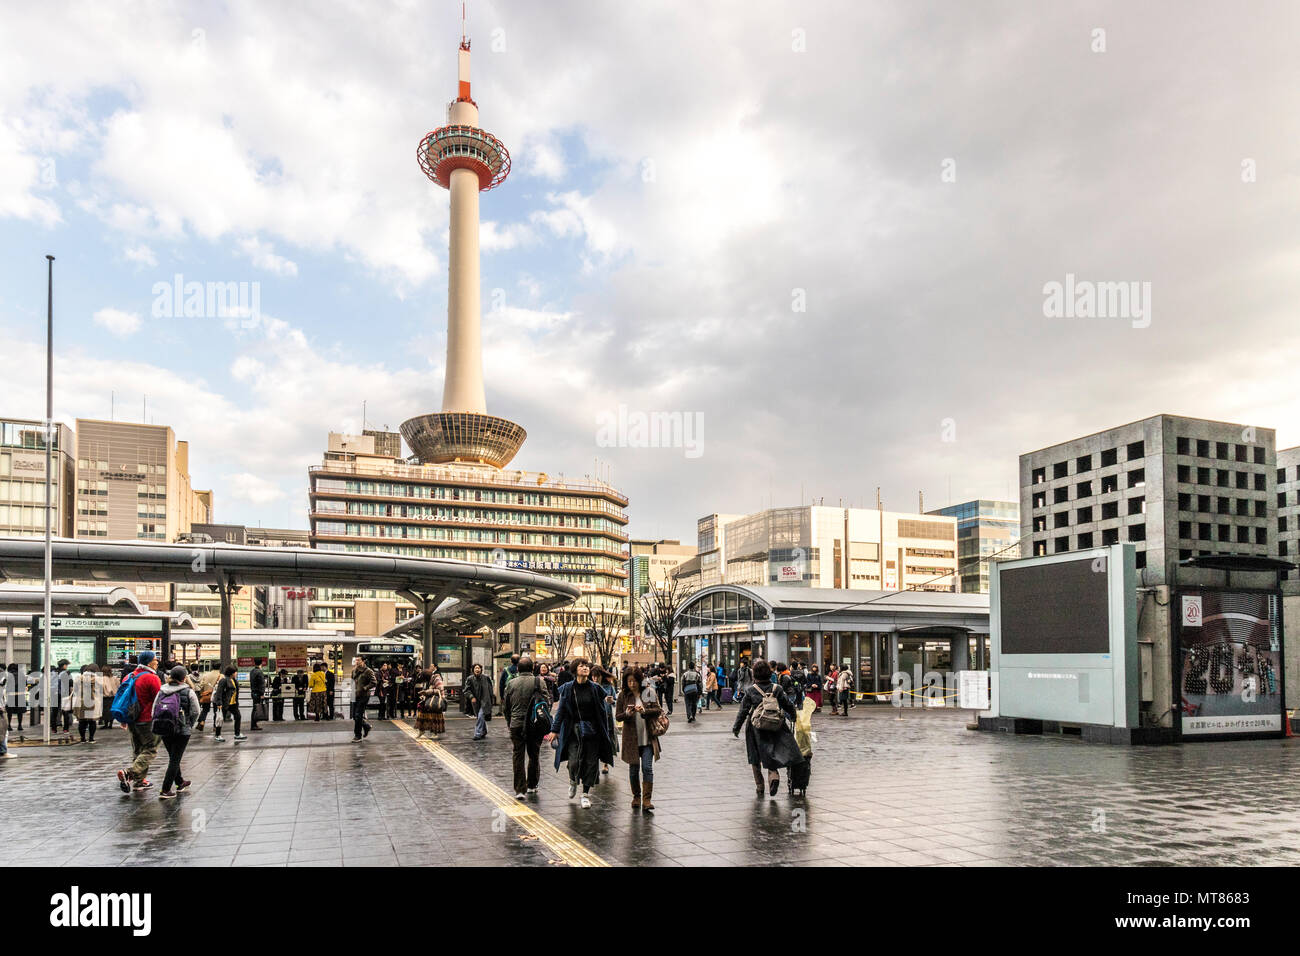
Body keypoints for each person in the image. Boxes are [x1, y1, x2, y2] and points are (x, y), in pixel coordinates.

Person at [548, 658, 613, 809]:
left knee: (591, 763)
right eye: (581, 666)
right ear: (575, 670)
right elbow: (561, 711)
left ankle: (585, 794)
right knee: (574, 761)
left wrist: (609, 703)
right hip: (573, 730)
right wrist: (554, 730)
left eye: (586, 666)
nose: (585, 668)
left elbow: (604, 706)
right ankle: (572, 780)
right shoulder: (568, 688)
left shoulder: (595, 688)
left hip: (592, 731)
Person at [732, 659, 803, 797]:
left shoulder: (751, 690)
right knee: (772, 750)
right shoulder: (777, 688)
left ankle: (760, 786)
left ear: (755, 675)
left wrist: (736, 727)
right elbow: (787, 704)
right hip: (776, 725)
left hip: (755, 726)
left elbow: (743, 710)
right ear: (770, 674)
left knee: (754, 756)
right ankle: (773, 775)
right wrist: (793, 716)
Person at [615, 668, 663, 813]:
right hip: (631, 739)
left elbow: (658, 710)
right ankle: (636, 796)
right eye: (629, 681)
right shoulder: (624, 695)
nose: (632, 684)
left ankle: (647, 800)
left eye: (634, 681)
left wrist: (644, 711)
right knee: (634, 770)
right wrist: (627, 714)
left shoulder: (648, 692)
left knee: (647, 768)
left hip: (648, 738)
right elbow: (618, 716)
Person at [116, 651, 163, 793]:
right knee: (150, 749)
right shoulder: (152, 678)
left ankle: (140, 781)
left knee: (138, 750)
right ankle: (130, 773)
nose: (157, 662)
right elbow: (159, 699)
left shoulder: (128, 676)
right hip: (147, 719)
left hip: (131, 719)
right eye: (155, 660)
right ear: (148, 662)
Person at [502, 655, 547, 799]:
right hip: (534, 724)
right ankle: (532, 785)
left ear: (517, 668)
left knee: (518, 756)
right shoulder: (539, 682)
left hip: (516, 724)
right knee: (534, 755)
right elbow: (546, 702)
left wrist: (510, 722)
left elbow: (505, 707)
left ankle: (520, 790)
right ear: (533, 668)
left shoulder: (511, 683)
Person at [154, 665, 200, 799]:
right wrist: (189, 724)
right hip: (182, 730)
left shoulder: (162, 691)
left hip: (164, 728)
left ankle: (180, 782)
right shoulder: (188, 691)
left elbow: (154, 709)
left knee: (173, 756)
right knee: (175, 759)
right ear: (184, 678)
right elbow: (196, 711)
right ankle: (165, 789)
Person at [212, 666, 244, 742]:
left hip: (233, 703)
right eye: (235, 672)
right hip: (224, 703)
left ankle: (237, 733)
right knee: (220, 719)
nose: (236, 673)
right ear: (231, 673)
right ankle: (217, 735)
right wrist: (219, 702)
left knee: (238, 716)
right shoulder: (223, 680)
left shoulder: (234, 680)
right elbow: (219, 692)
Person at [72, 663, 102, 743]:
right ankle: (91, 738)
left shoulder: (78, 678)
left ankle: (82, 738)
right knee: (92, 721)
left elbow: (75, 690)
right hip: (93, 702)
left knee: (82, 721)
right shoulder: (98, 679)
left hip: (80, 702)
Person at [596, 667, 618, 775]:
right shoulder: (591, 686)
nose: (595, 678)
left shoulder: (609, 687)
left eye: (597, 676)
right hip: (595, 718)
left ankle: (605, 764)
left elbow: (615, 700)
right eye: (593, 676)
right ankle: (595, 764)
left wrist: (611, 701)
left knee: (607, 740)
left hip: (607, 717)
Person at [463, 662, 493, 741]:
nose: (477, 669)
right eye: (475, 668)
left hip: (485, 701)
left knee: (480, 715)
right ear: (473, 670)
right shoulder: (470, 679)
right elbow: (466, 690)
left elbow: (490, 689)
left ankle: (478, 733)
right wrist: (471, 696)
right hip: (476, 702)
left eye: (478, 668)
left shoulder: (486, 678)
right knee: (480, 717)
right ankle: (483, 731)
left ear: (481, 670)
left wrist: (491, 700)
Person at [414, 667, 446, 739]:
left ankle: (435, 732)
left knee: (435, 717)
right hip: (429, 699)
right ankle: (421, 730)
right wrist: (424, 694)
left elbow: (440, 690)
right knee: (421, 714)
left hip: (436, 701)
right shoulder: (428, 681)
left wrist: (428, 691)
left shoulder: (437, 679)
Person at [351, 656, 375, 742]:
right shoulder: (354, 671)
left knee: (358, 715)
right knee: (354, 716)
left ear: (363, 661)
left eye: (358, 660)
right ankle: (366, 726)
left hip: (364, 695)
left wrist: (365, 688)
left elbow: (374, 682)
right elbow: (352, 682)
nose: (357, 662)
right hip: (355, 695)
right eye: (356, 660)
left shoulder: (368, 671)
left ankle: (357, 735)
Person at [4, 662, 25, 732]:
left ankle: (9, 725)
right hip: (20, 695)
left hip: (11, 695)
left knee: (9, 712)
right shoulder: (22, 674)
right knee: (20, 712)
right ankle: (20, 725)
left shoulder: (7, 675)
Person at [247, 659, 266, 732]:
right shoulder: (259, 672)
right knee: (256, 709)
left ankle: (254, 724)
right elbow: (261, 684)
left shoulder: (252, 671)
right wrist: (262, 693)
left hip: (253, 692)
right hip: (258, 693)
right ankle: (254, 725)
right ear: (261, 664)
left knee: (255, 708)